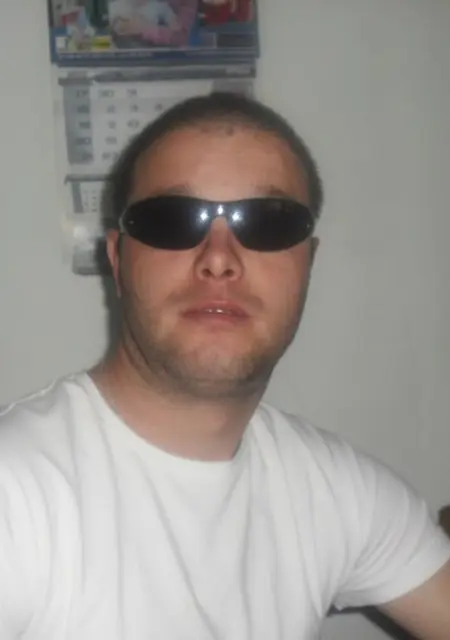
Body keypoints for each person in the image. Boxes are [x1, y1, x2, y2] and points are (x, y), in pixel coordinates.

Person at [0, 92, 449, 640]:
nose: (218, 258)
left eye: (268, 223)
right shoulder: (17, 497)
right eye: (172, 220)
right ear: (118, 260)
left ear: (308, 264)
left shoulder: (337, 493)